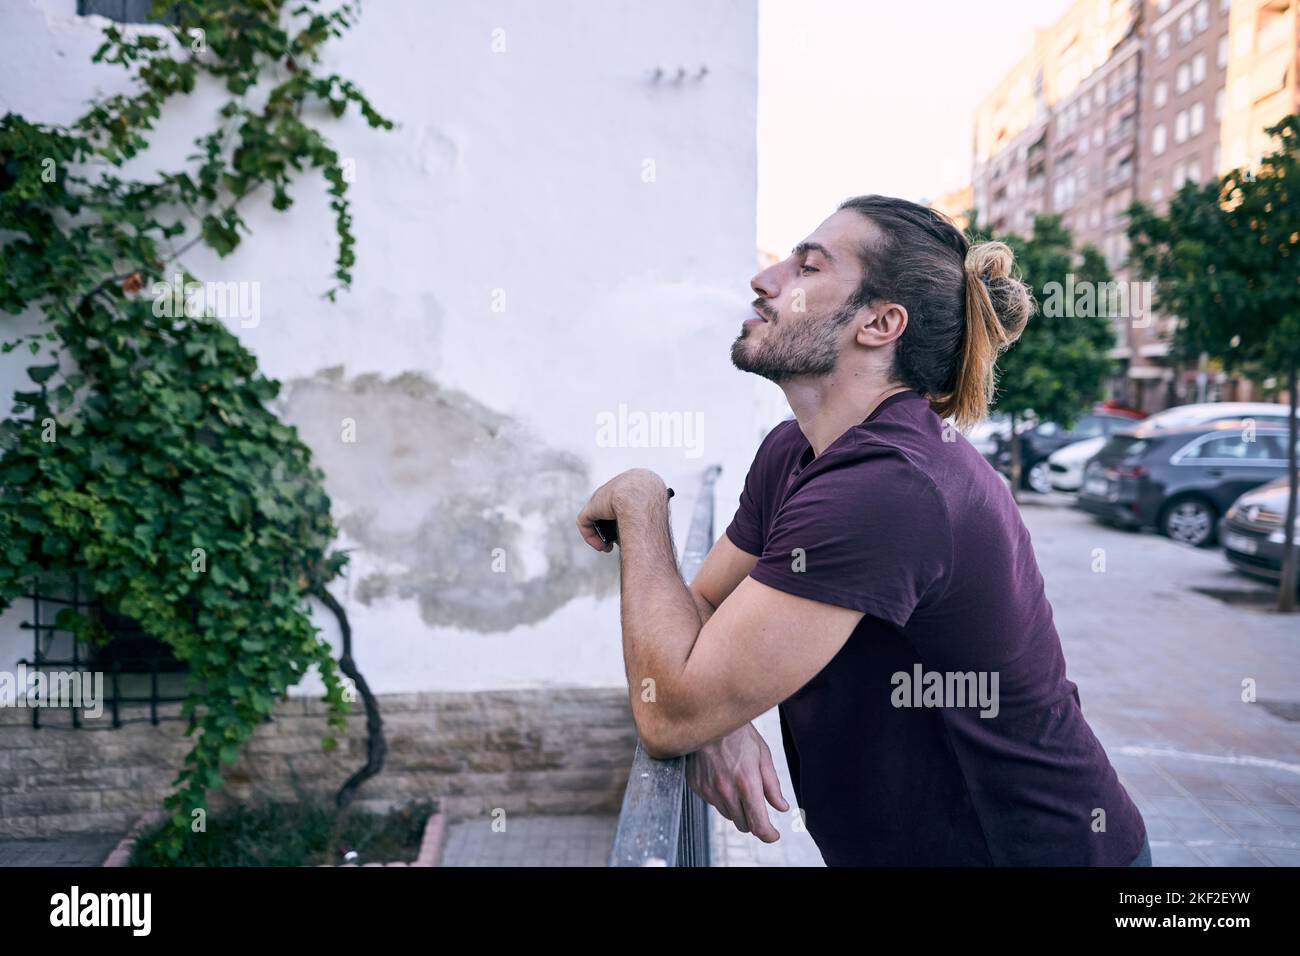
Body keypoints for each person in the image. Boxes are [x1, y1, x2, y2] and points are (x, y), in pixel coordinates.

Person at [576, 194, 1148, 866]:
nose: (766, 280)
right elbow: (694, 633)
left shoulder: (890, 487)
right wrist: (713, 721)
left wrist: (642, 505)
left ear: (879, 323)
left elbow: (669, 709)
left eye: (808, 268)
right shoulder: (794, 452)